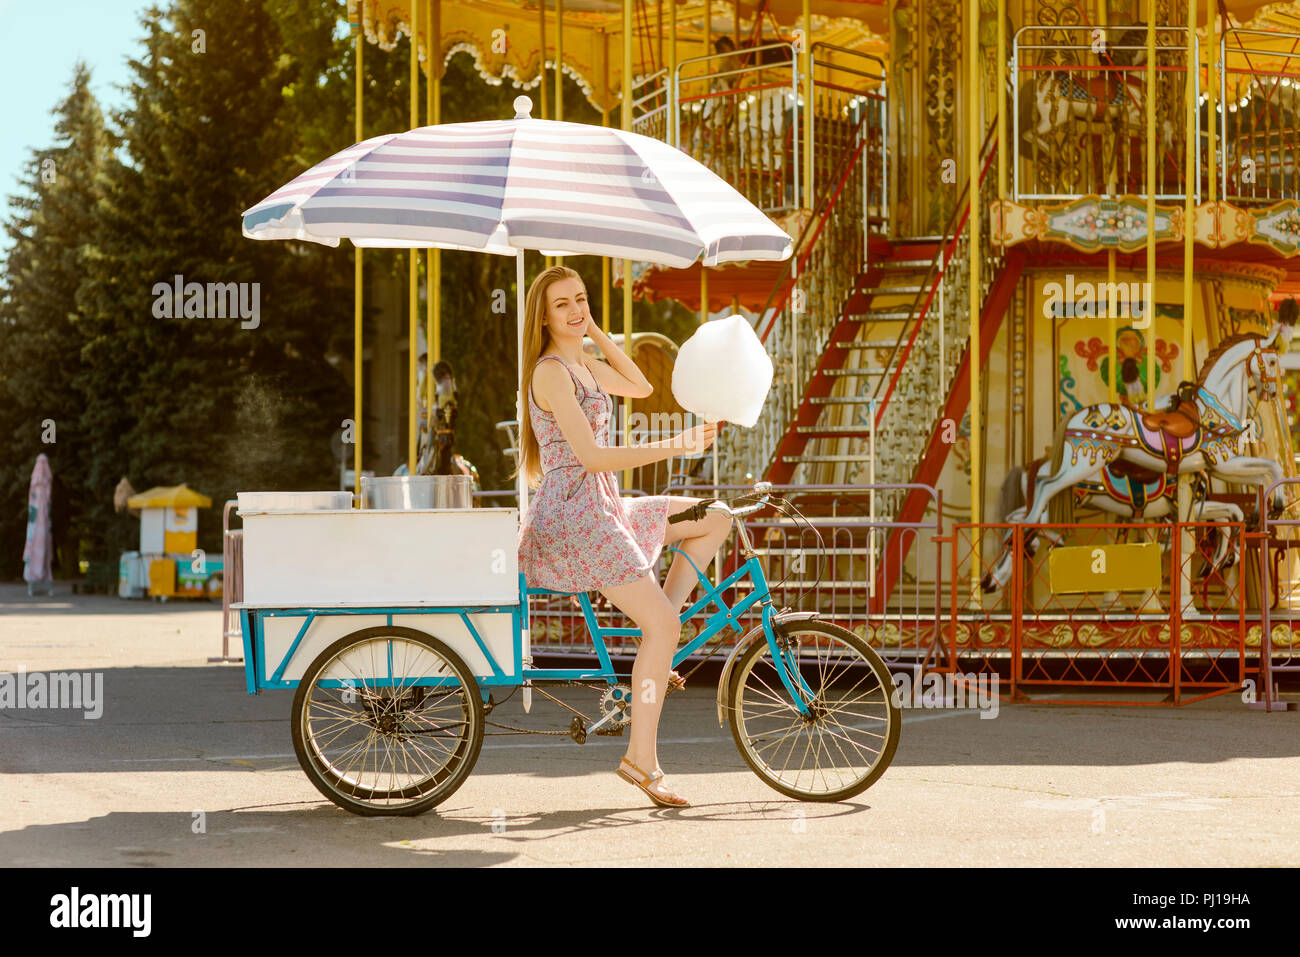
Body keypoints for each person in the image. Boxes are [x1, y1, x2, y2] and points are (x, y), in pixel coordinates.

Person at [515, 265, 731, 808]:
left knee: (717, 516)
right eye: (561, 303)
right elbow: (590, 458)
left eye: (581, 299)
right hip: (574, 513)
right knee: (662, 625)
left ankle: (664, 632)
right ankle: (641, 758)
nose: (574, 309)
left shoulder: (582, 363)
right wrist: (675, 446)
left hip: (603, 503)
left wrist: (595, 334)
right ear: (542, 316)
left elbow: (641, 385)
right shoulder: (549, 372)